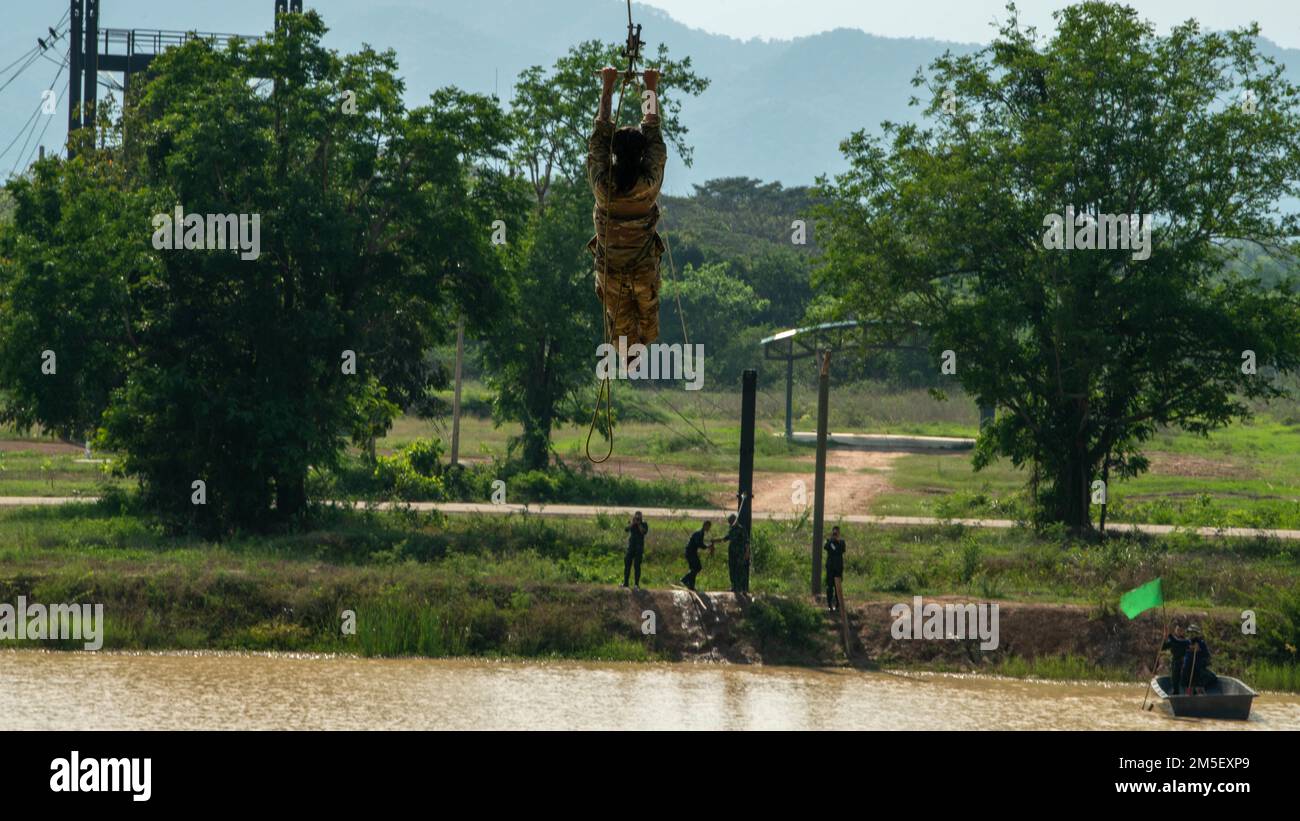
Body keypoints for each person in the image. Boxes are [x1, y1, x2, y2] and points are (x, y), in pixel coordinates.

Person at [587, 66, 668, 363]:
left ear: (615, 155)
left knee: (624, 327)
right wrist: (650, 85)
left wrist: (608, 85)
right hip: (642, 270)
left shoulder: (604, 188)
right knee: (648, 328)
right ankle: (633, 355)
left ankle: (627, 356)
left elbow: (599, 137)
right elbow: (653, 132)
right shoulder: (647, 185)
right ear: (641, 156)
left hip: (611, 272)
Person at [1181, 624, 1218, 694]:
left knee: (1212, 678)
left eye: (1194, 633)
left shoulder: (1201, 644)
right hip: (1186, 672)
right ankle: (1189, 695)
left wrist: (1199, 650)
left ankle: (1201, 695)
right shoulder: (1185, 643)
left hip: (1198, 671)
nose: (1192, 634)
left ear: (1197, 634)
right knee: (1188, 687)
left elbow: (1208, 658)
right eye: (1190, 632)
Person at [681, 520, 714, 591]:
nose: (709, 528)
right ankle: (684, 579)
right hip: (690, 552)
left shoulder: (701, 533)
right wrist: (708, 546)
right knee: (698, 567)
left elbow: (699, 544)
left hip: (692, 552)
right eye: (708, 527)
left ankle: (691, 586)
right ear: (705, 525)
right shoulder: (699, 533)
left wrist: (707, 546)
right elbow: (699, 544)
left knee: (693, 568)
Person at [721, 513, 749, 594]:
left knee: (740, 570)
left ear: (735, 520)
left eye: (731, 521)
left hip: (740, 553)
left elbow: (747, 542)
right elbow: (726, 538)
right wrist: (715, 540)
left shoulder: (741, 529)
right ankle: (734, 586)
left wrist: (747, 552)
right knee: (732, 569)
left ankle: (743, 588)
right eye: (729, 522)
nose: (730, 523)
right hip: (732, 553)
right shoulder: (731, 529)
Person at [622, 511, 649, 589]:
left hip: (639, 548)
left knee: (637, 566)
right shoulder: (632, 523)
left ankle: (636, 584)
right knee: (627, 564)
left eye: (639, 516)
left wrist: (639, 524)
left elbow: (643, 532)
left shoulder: (644, 524)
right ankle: (625, 583)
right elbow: (626, 529)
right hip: (631, 547)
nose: (637, 518)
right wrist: (632, 523)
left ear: (641, 517)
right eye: (636, 516)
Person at [1161, 620, 1190, 694]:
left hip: (1183, 662)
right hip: (1174, 661)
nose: (1179, 632)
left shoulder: (1186, 641)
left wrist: (1169, 635)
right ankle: (1176, 691)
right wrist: (1165, 638)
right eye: (1177, 630)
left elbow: (1177, 642)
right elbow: (1163, 647)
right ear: (1175, 631)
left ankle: (1184, 692)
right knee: (1174, 678)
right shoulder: (1173, 641)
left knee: (1181, 678)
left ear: (1183, 631)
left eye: (1180, 630)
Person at [823, 526, 846, 611]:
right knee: (829, 587)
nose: (835, 535)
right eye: (834, 533)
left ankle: (838, 605)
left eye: (836, 533)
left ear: (839, 534)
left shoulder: (841, 542)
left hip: (838, 568)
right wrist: (831, 540)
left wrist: (836, 541)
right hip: (830, 568)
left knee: (838, 588)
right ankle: (829, 605)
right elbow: (825, 547)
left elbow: (841, 550)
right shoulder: (829, 542)